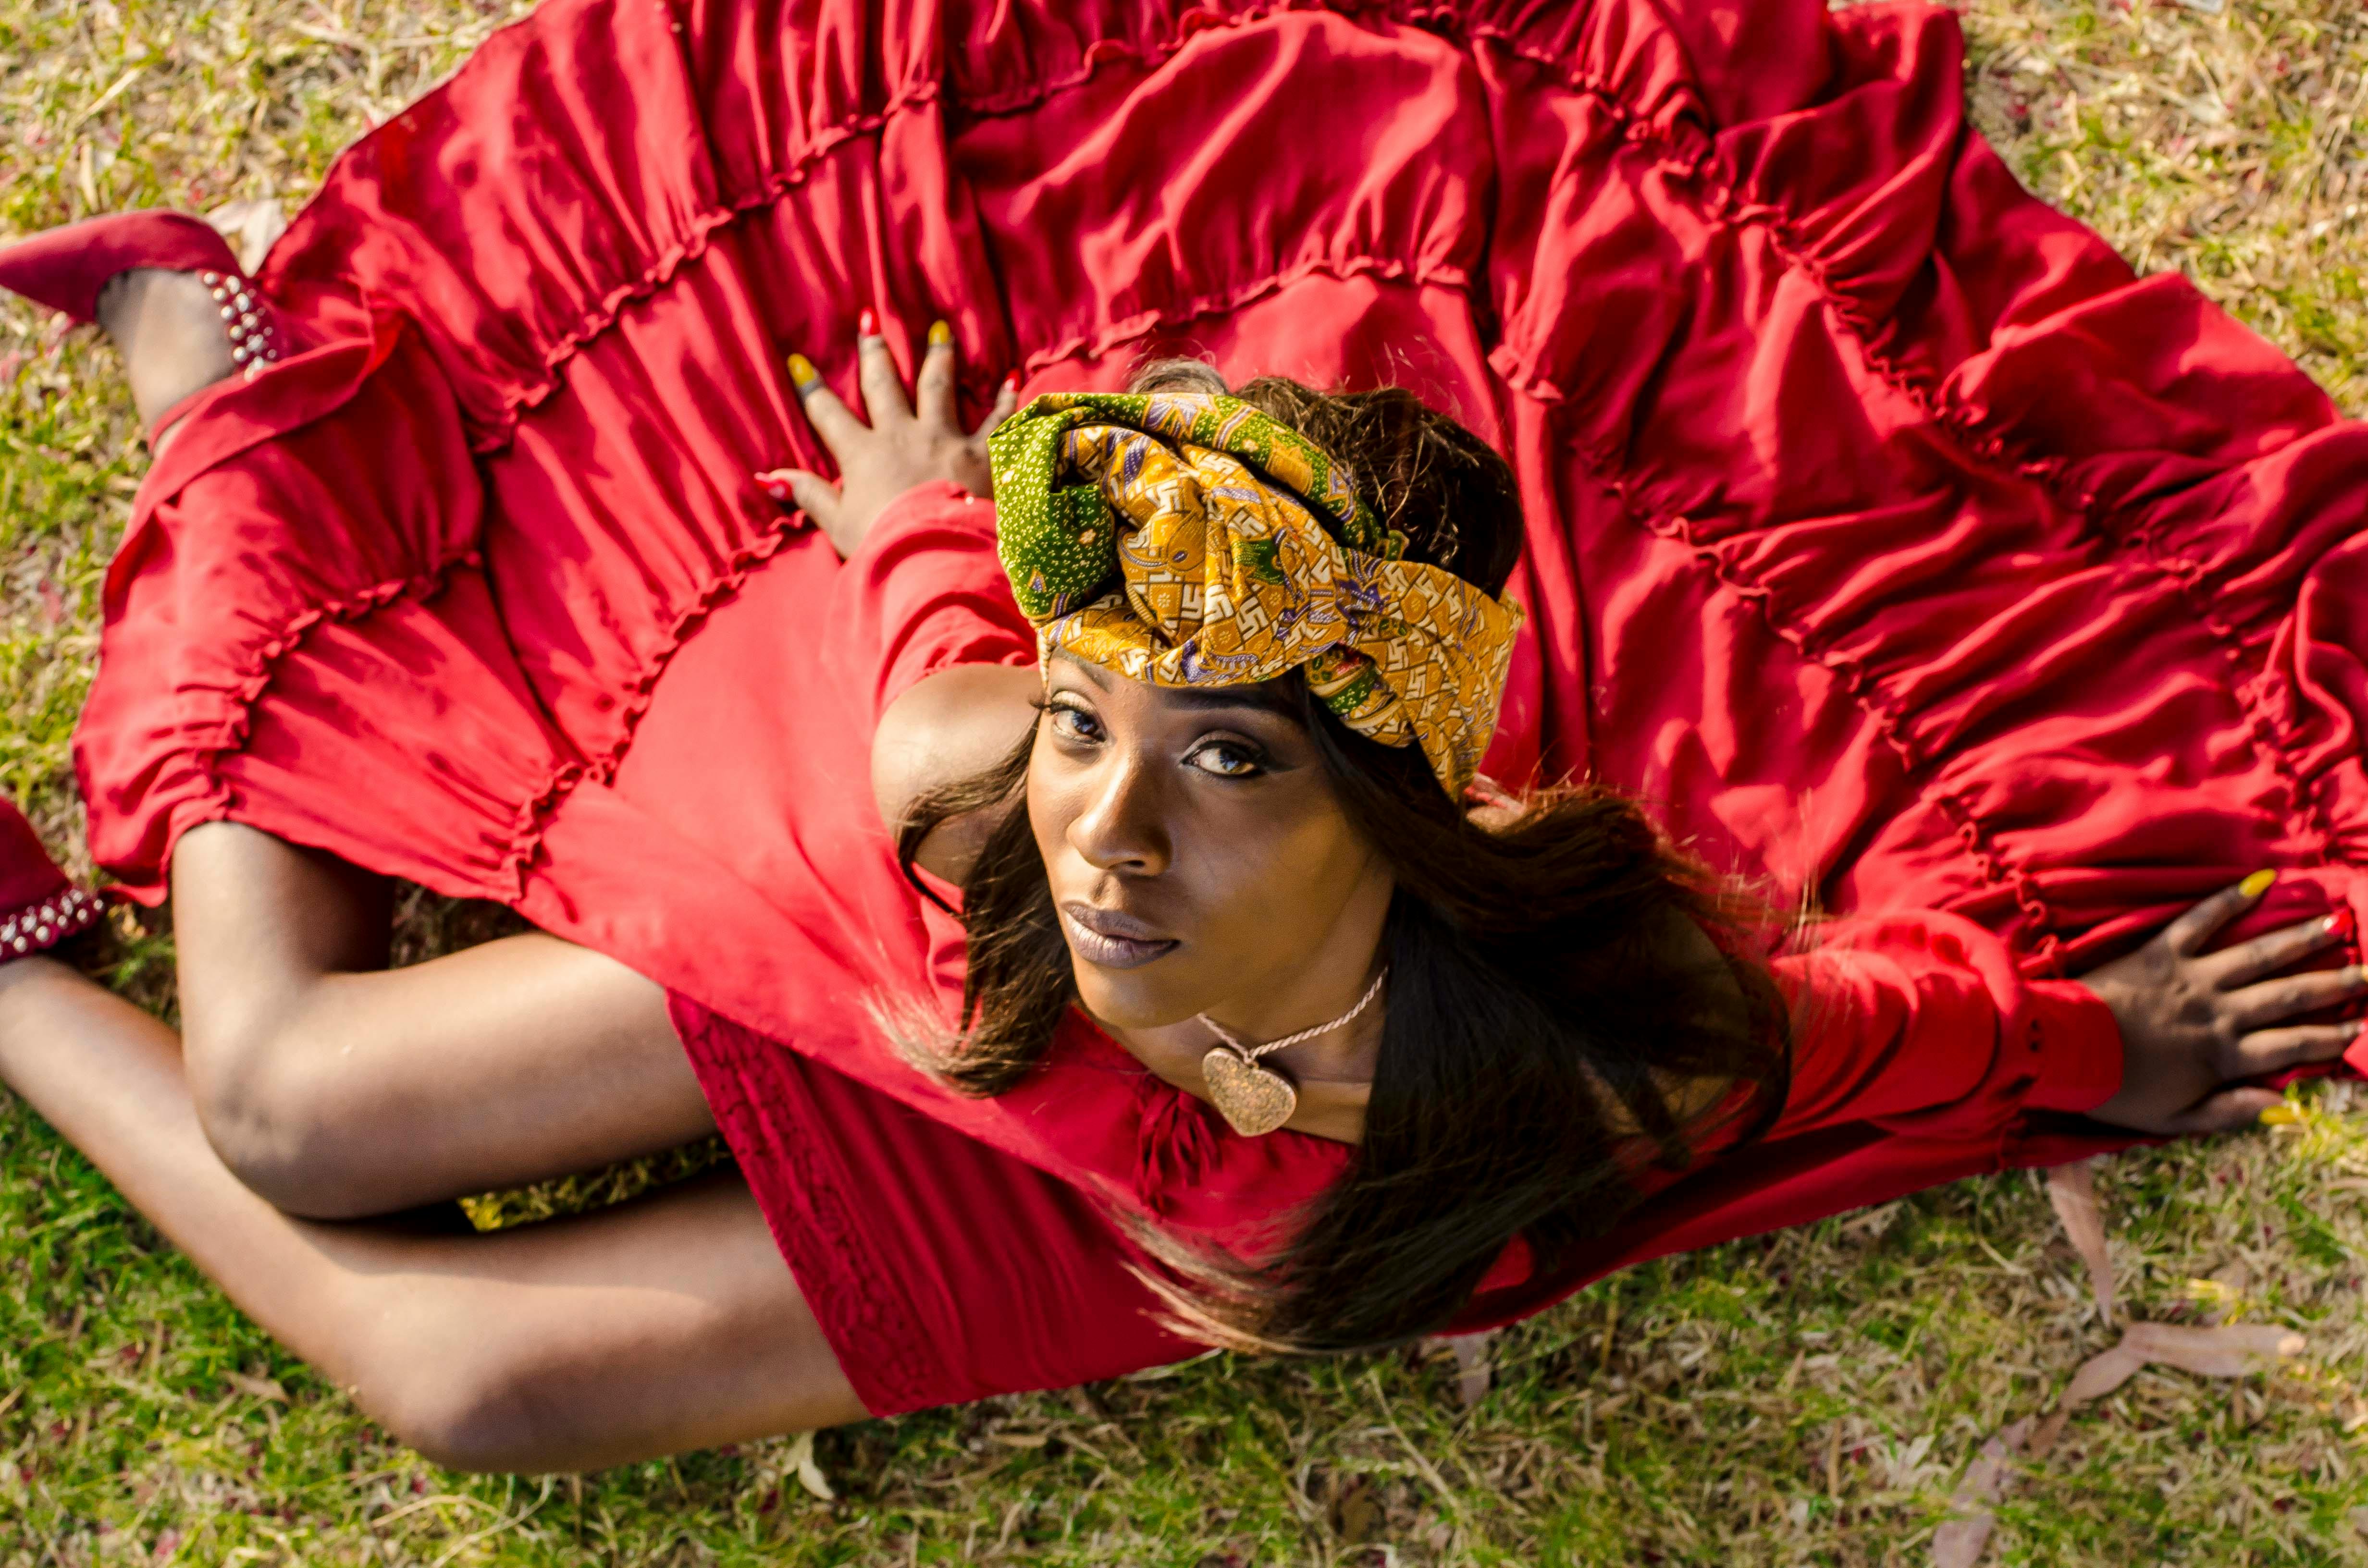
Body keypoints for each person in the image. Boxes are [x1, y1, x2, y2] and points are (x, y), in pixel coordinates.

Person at [3, 0, 2366, 1477]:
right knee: (296, 1097)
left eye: (1229, 760)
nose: (1113, 824)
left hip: (1153, 1220)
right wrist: (917, 514)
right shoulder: (988, 822)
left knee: (472, 1388)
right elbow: (952, 699)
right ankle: (230, 389)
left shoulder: (1556, 1040)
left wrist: (2095, 1042)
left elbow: (1846, 1036)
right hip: (907, 977)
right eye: (1096, 726)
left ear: (1419, 836)